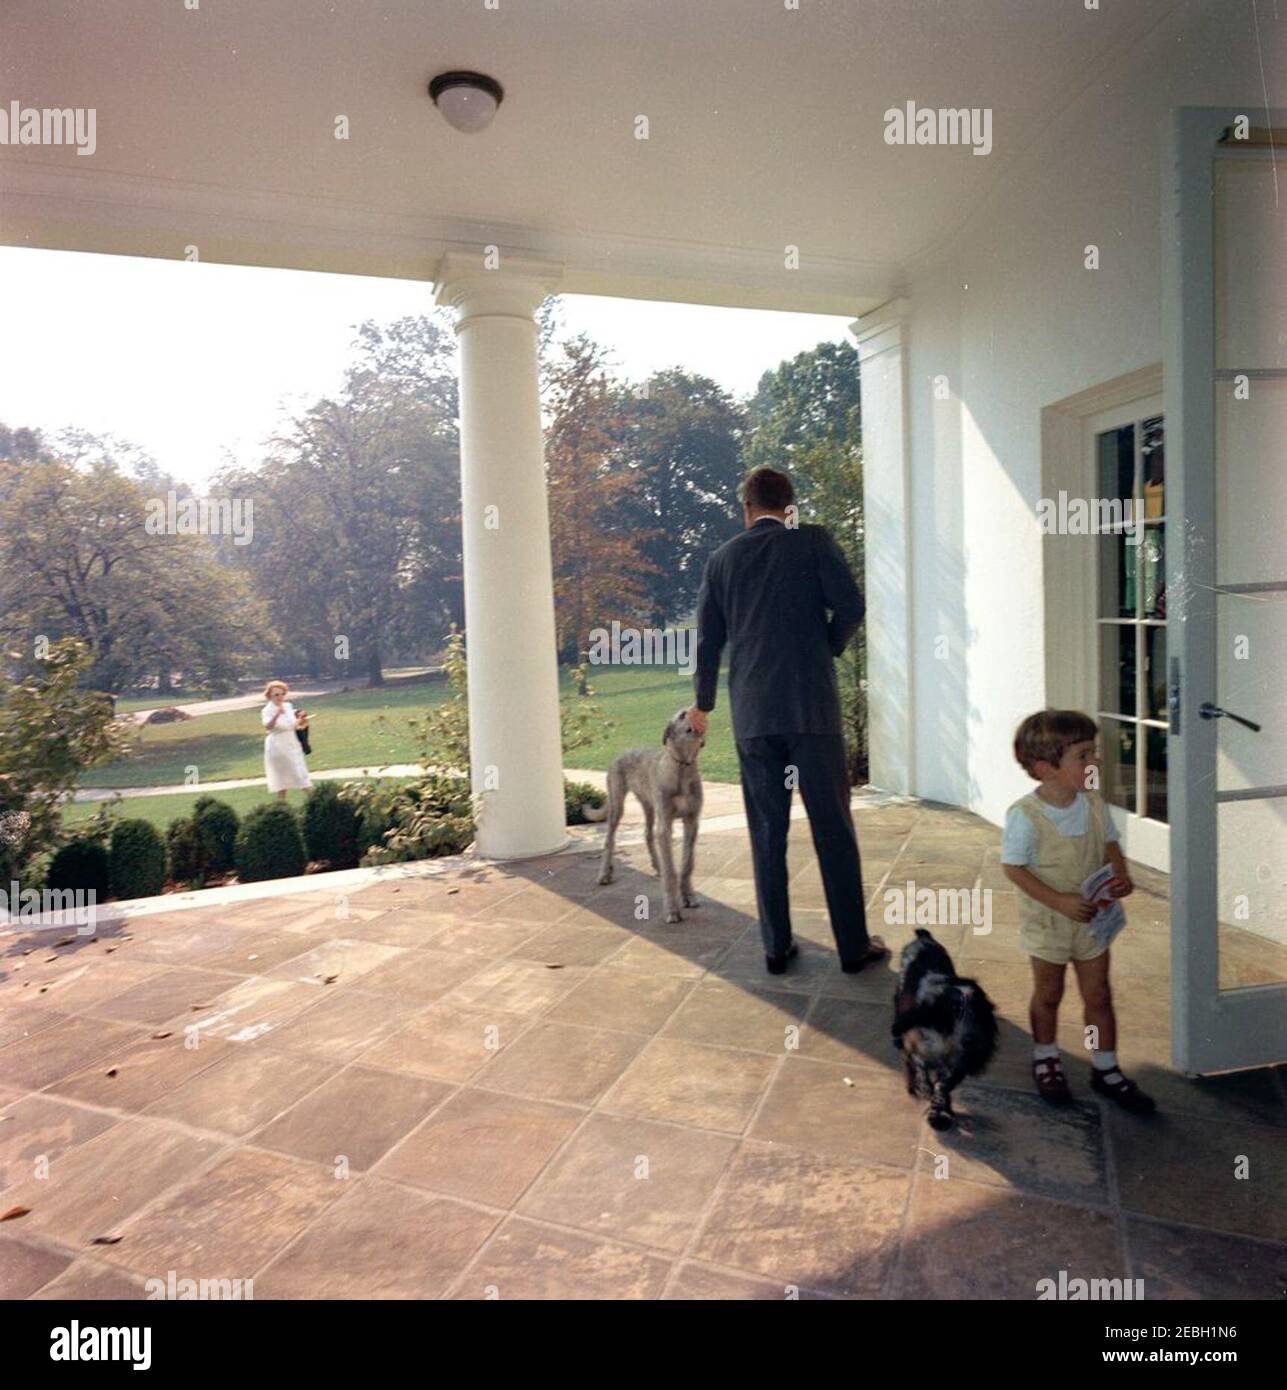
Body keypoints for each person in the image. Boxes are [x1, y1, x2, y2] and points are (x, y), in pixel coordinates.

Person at [688, 466, 886, 976]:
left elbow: (708, 642)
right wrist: (826, 645)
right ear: (789, 505)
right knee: (833, 830)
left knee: (767, 831)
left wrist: (703, 705)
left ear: (747, 508)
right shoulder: (814, 542)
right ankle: (852, 948)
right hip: (811, 709)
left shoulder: (721, 560)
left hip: (754, 715)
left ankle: (776, 947)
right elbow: (851, 606)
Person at [1001, 709, 1155, 1113]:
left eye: (1094, 752)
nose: (1096, 762)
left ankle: (1105, 1068)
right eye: (1083, 756)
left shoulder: (1092, 803)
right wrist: (1059, 900)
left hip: (1092, 921)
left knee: (1099, 993)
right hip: (1048, 922)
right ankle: (1046, 1058)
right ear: (1045, 768)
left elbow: (1109, 846)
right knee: (1049, 993)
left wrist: (1121, 876)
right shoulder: (1024, 816)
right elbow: (1013, 868)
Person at [261, 680, 312, 802]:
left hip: (292, 742)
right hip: (278, 745)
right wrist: (277, 715)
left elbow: (293, 724)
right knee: (295, 774)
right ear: (270, 696)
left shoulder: (288, 706)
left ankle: (281, 804)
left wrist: (301, 720)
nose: (280, 697)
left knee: (293, 774)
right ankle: (315, 799)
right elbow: (268, 726)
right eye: (276, 695)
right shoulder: (267, 710)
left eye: (282, 694)